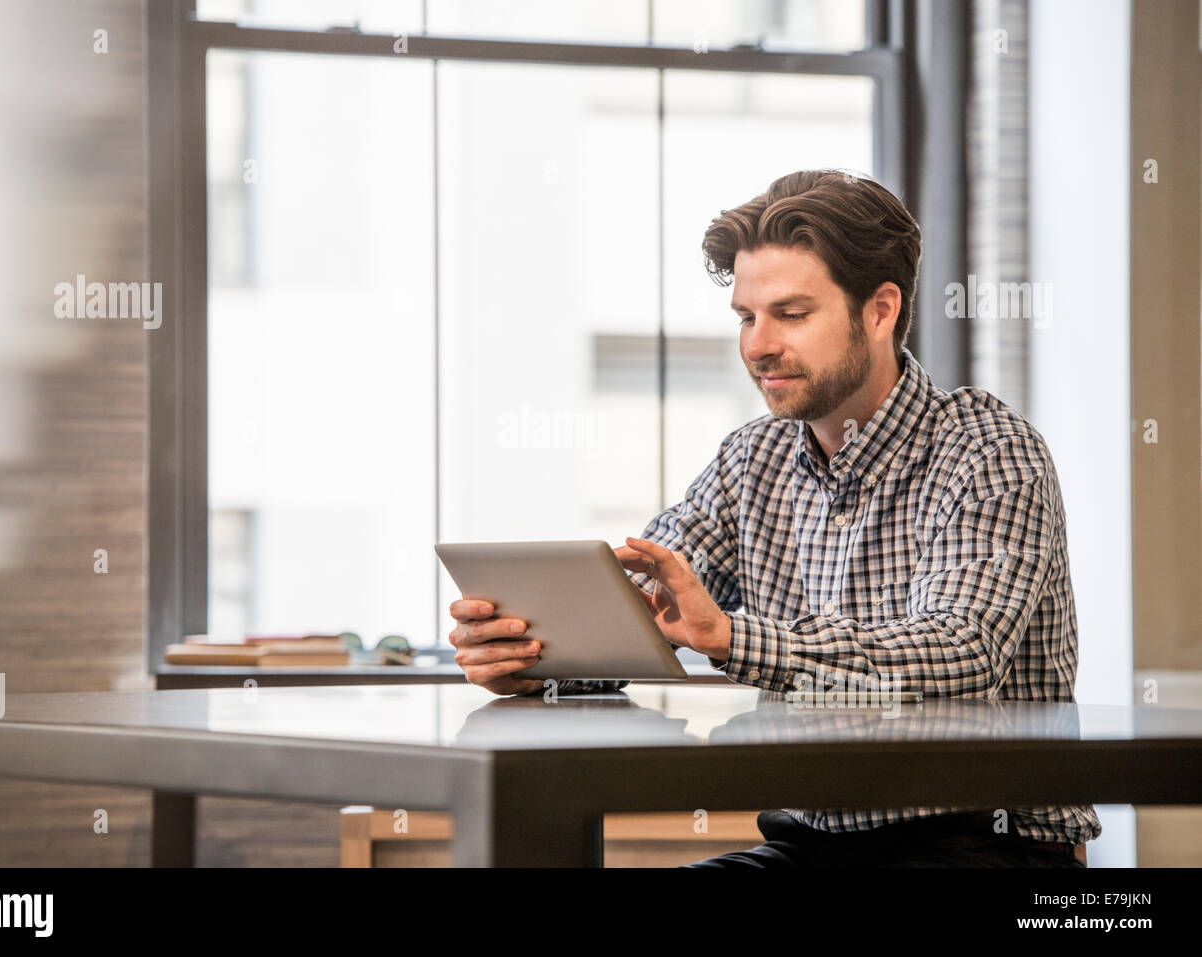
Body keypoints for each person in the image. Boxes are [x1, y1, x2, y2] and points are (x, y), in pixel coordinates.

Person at [447, 169, 1098, 867]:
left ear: (880, 311)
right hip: (807, 843)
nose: (756, 346)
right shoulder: (752, 458)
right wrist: (536, 657)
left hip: (982, 846)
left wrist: (730, 635)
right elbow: (644, 604)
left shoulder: (988, 449)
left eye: (790, 314)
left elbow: (961, 653)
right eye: (745, 317)